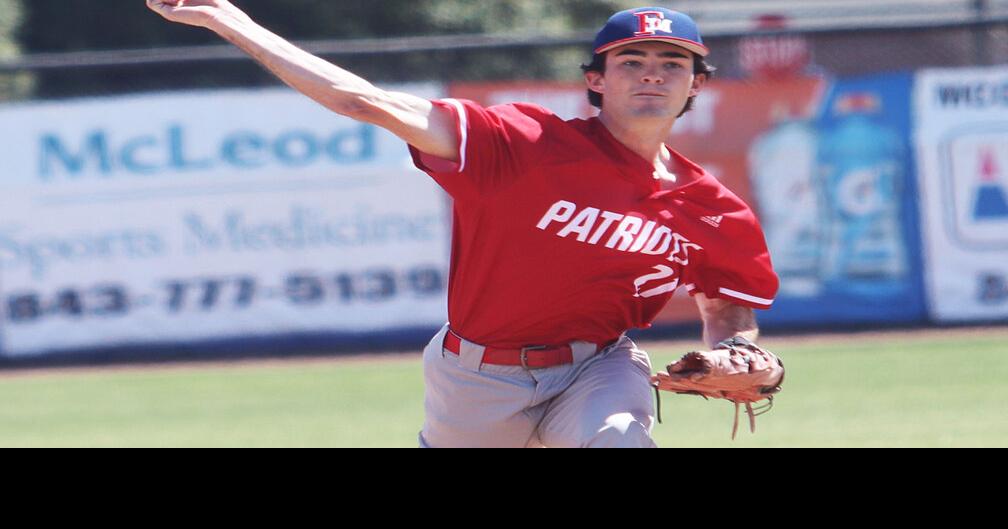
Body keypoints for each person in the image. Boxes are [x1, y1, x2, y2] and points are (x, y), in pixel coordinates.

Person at [147, 2, 780, 448]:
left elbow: (728, 307)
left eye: (672, 63)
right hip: (476, 376)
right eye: (630, 60)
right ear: (596, 80)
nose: (651, 72)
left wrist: (735, 350)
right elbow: (364, 101)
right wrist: (230, 19)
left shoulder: (714, 210)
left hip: (599, 367)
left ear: (696, 84)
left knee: (619, 440)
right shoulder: (521, 142)